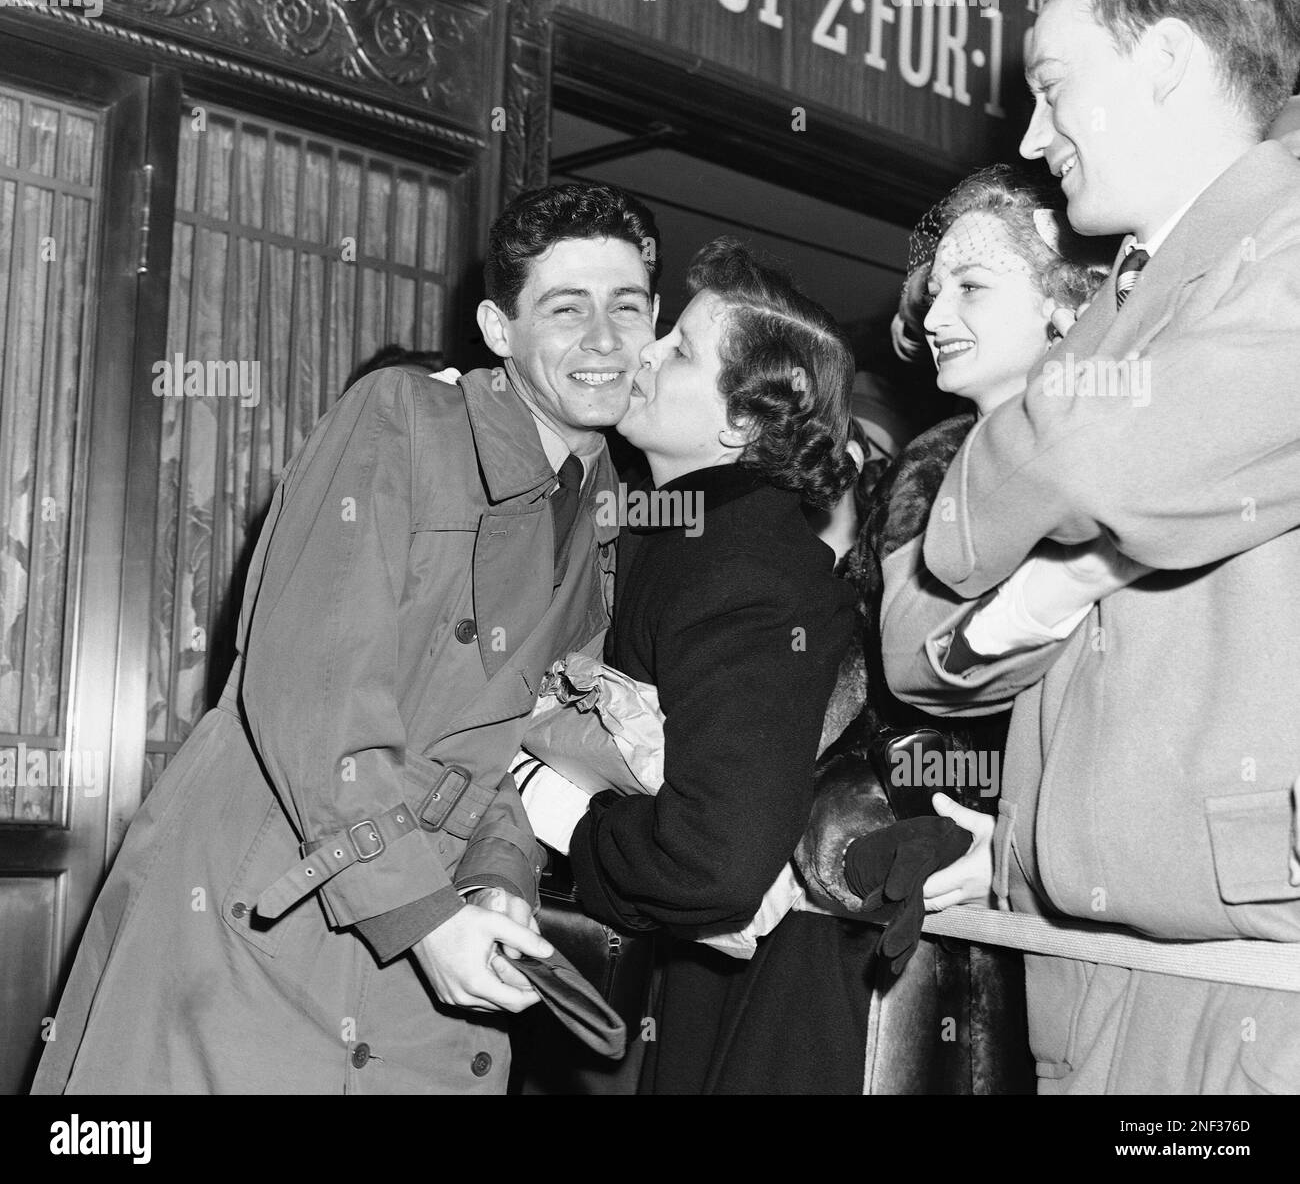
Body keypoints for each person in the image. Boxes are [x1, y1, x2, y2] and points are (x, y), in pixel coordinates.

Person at [33, 181, 661, 1094]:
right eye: (567, 310)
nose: (604, 340)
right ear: (496, 328)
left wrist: (496, 883)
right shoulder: (405, 416)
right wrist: (421, 911)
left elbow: (484, 758)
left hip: (418, 915)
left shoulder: (596, 514)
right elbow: (313, 693)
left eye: (628, 308)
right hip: (273, 904)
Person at [892, 0, 1300, 1094]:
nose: (1026, 138)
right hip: (1089, 962)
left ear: (1165, 60)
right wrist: (1030, 598)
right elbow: (913, 649)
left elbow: (1107, 456)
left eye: (1052, 87)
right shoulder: (1128, 290)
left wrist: (1019, 475)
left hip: (1249, 979)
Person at [794, 164, 1109, 1094]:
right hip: (952, 866)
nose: (934, 316)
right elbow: (906, 669)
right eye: (933, 293)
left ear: (1066, 301)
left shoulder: (1122, 443)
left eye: (971, 287)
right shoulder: (939, 461)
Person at [547, 238, 860, 1094]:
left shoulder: (747, 564)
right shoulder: (679, 530)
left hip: (764, 1023)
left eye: (679, 348)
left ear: (745, 422)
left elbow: (711, 857)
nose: (642, 353)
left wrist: (571, 825)